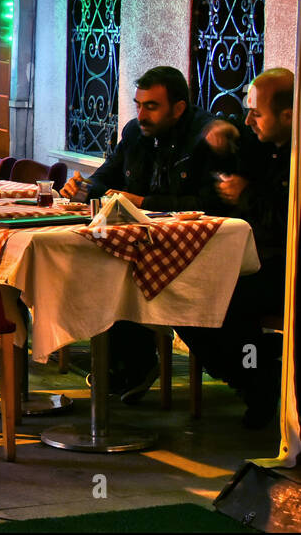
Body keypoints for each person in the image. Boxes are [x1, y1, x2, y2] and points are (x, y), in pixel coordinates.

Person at [61, 65, 217, 401]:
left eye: (151, 106)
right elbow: (106, 178)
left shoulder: (203, 136)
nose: (141, 114)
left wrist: (144, 200)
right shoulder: (134, 133)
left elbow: (208, 201)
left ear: (179, 108)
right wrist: (82, 188)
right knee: (98, 270)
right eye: (138, 104)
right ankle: (129, 363)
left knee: (116, 274)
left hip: (191, 251)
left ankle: (133, 364)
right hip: (138, 246)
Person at [178, 69, 293, 428]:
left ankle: (257, 379)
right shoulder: (268, 145)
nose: (248, 120)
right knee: (182, 294)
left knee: (217, 303)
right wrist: (224, 134)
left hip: (285, 273)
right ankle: (258, 371)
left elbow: (286, 219)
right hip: (254, 263)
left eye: (256, 113)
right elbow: (241, 139)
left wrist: (248, 194)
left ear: (288, 116)